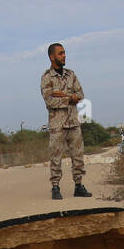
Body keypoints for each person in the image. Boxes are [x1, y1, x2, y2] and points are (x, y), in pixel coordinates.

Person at [40, 43, 90, 199]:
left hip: (74, 122)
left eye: (64, 53)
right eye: (61, 53)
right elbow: (49, 101)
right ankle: (55, 187)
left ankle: (79, 186)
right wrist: (70, 98)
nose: (64, 56)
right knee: (56, 157)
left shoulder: (71, 75)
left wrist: (62, 95)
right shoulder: (47, 77)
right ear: (52, 56)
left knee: (78, 156)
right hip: (57, 125)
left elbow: (81, 94)